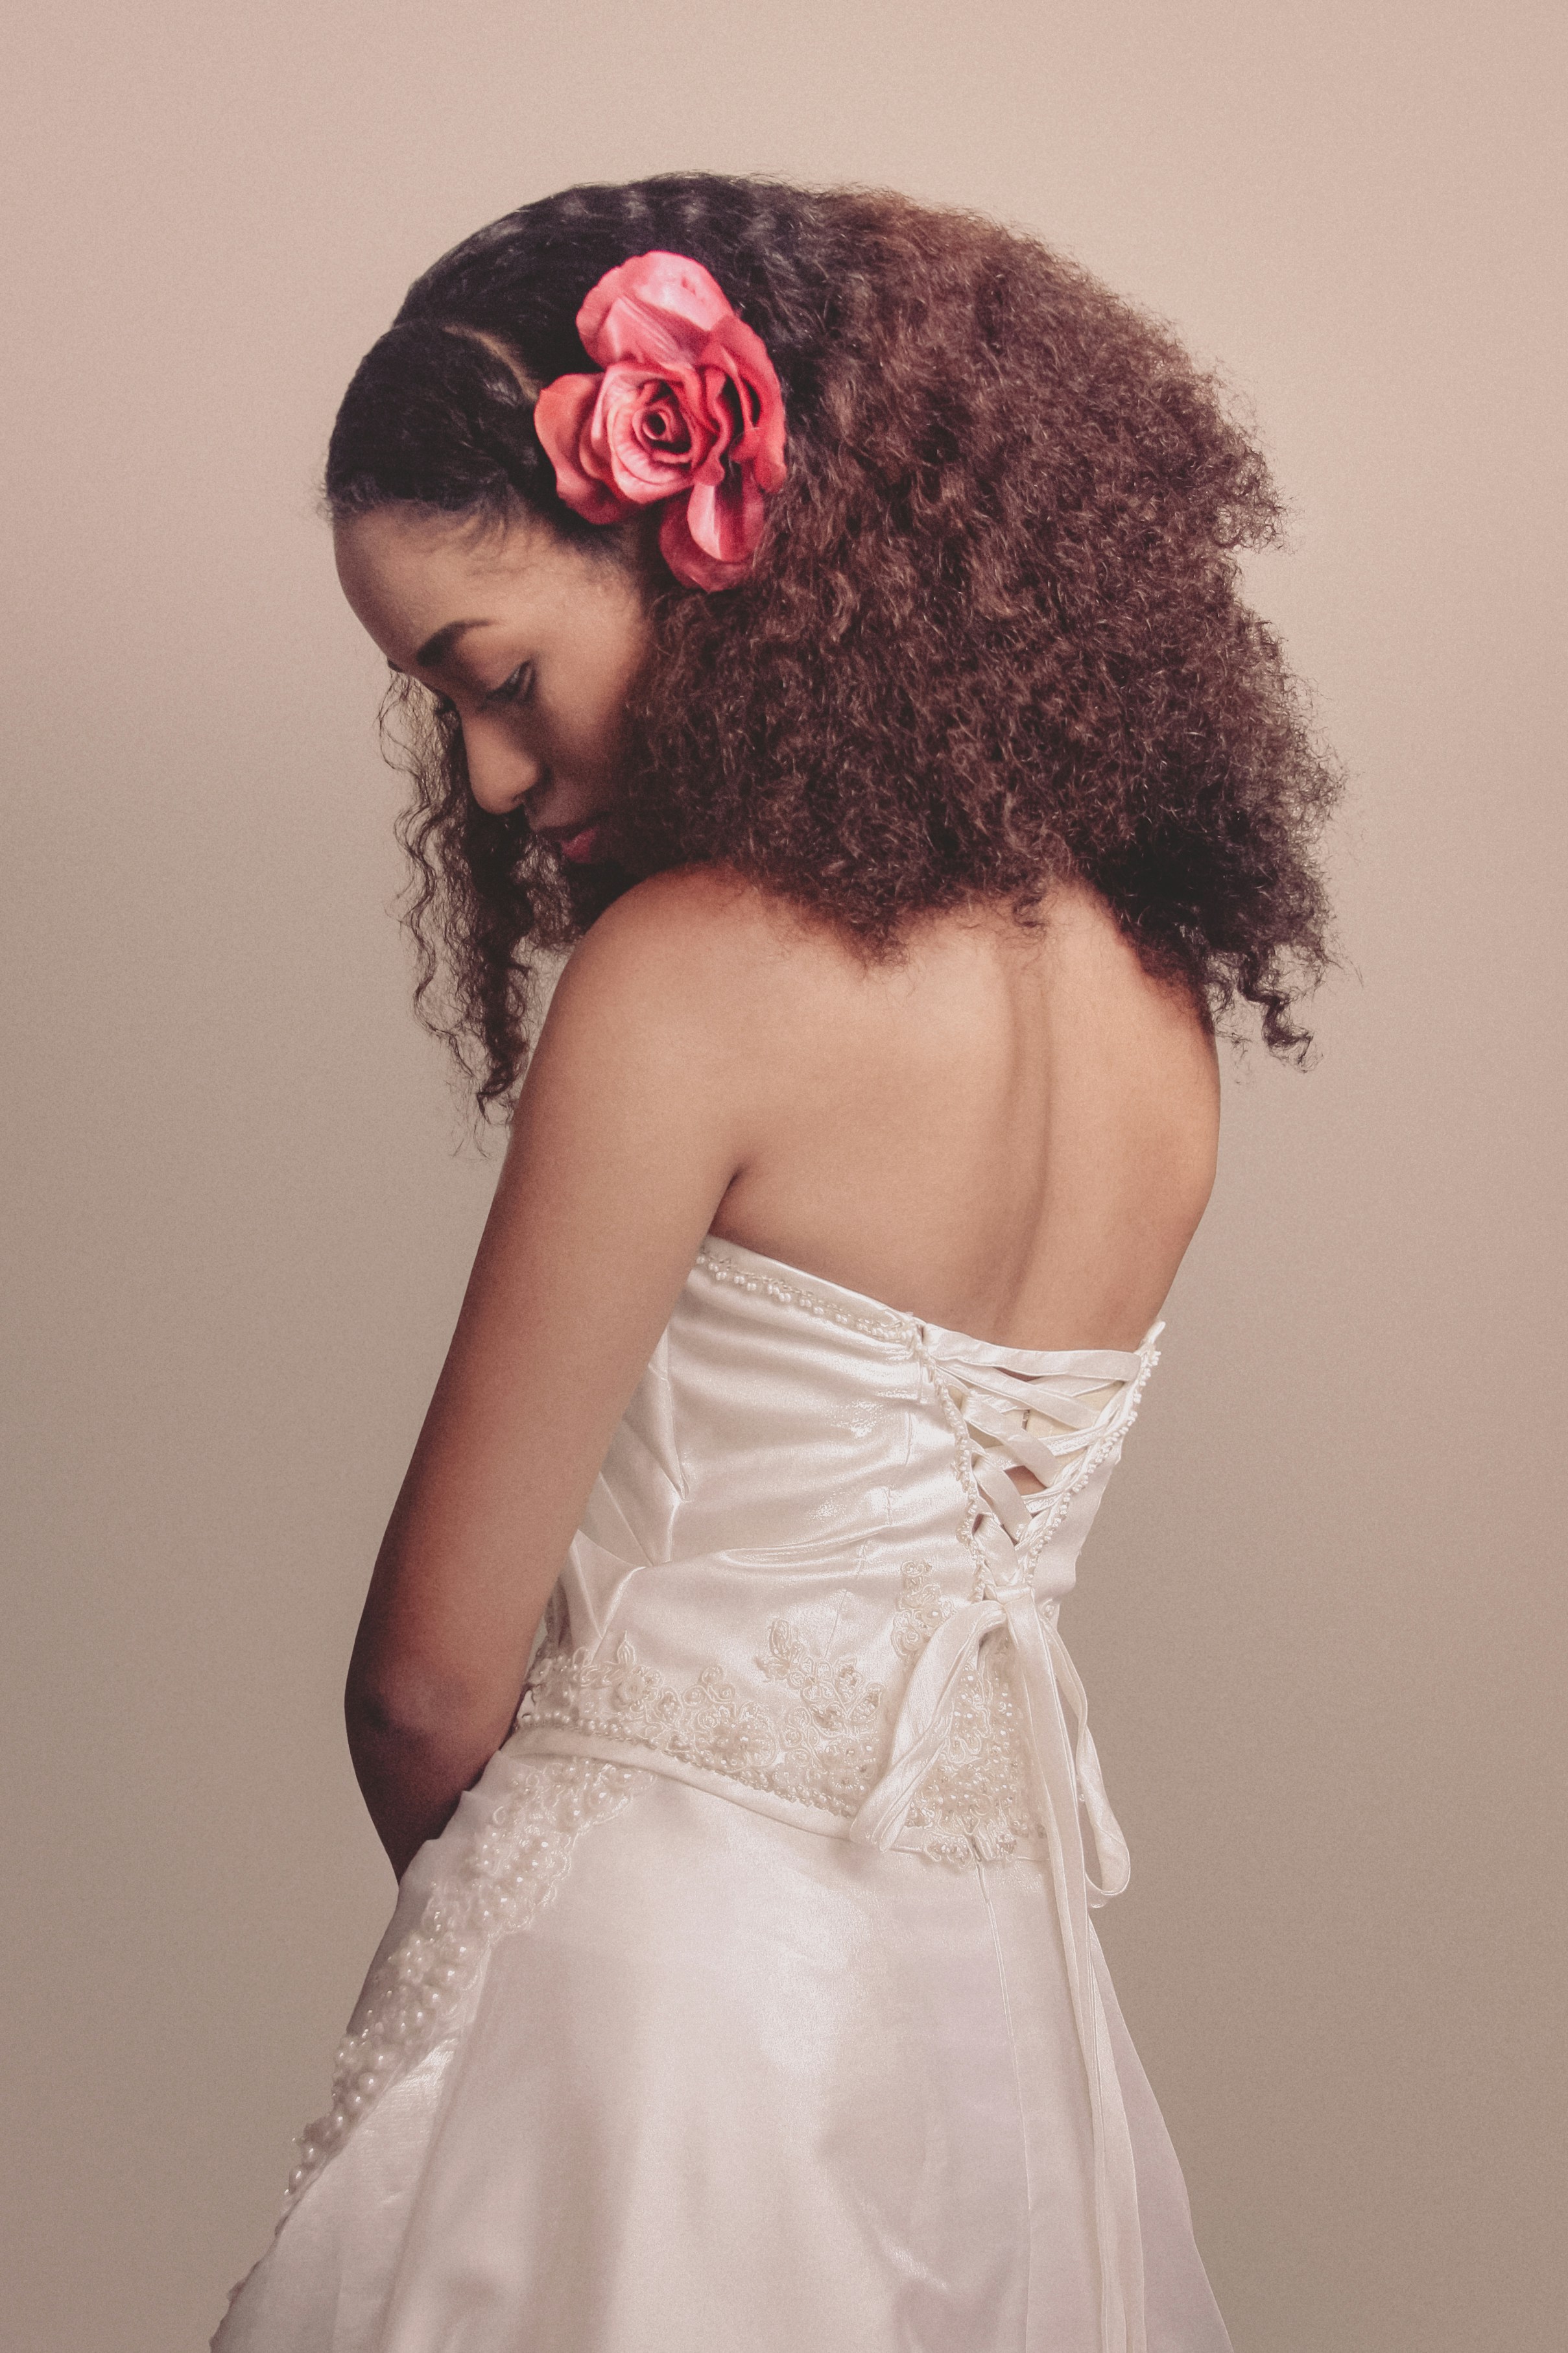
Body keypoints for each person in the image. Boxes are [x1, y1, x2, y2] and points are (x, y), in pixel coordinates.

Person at [213, 173, 1335, 2353]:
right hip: (1005, 2025)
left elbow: (422, 1687)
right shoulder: (1152, 1003)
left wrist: (518, 1990)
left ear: (710, 542)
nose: (486, 774)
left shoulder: (689, 977)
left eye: (497, 676)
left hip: (666, 2014)